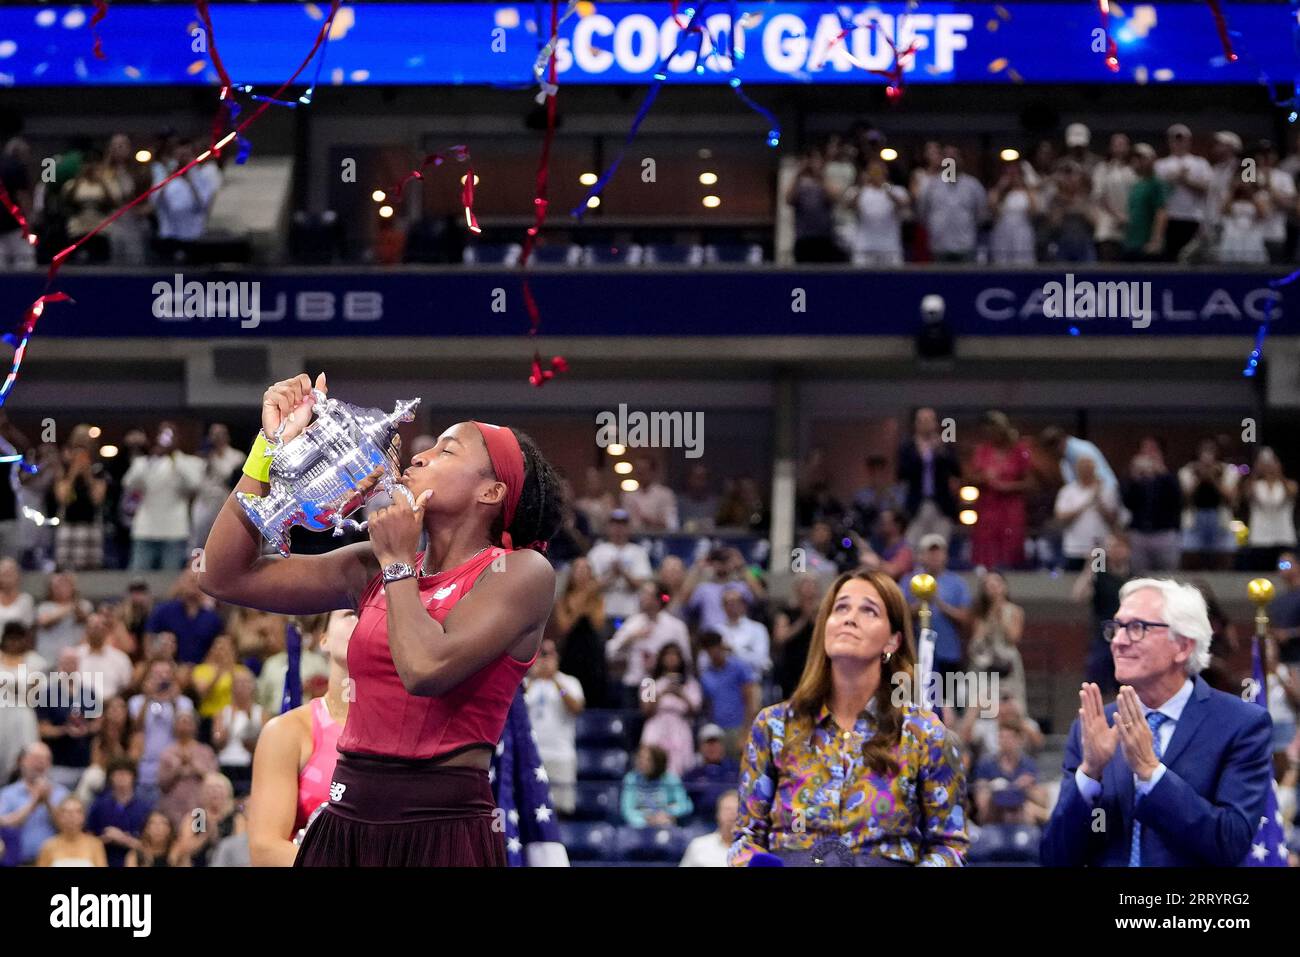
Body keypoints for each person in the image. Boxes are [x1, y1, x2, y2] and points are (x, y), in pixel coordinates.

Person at [200, 372, 561, 867]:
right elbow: (222, 576)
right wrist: (270, 448)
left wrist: (395, 563)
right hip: (344, 819)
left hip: (442, 828)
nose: (418, 456)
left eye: (445, 452)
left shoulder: (521, 571)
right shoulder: (376, 563)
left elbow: (425, 670)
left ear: (492, 493)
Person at [730, 569, 967, 866]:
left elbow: (950, 848)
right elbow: (745, 839)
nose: (849, 618)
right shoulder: (773, 726)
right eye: (840, 607)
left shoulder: (925, 733)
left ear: (892, 642)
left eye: (868, 610)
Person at [1042, 578, 1273, 866]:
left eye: (1137, 628)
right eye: (1115, 627)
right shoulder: (1094, 728)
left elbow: (1229, 842)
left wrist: (1151, 772)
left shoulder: (1241, 725)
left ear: (1183, 646)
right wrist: (1090, 774)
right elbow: (1055, 858)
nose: (1118, 641)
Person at [247, 608, 355, 866]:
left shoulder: (413, 731)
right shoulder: (287, 731)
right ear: (324, 638)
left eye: (376, 613)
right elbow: (265, 850)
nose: (363, 621)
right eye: (351, 613)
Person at [122, 422, 204, 570]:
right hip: (145, 528)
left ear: (177, 439)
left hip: (174, 529)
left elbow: (194, 484)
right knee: (138, 577)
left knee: (169, 579)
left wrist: (174, 456)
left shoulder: (190, 462)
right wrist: (152, 459)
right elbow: (129, 484)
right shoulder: (144, 462)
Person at [523, 637, 584, 815]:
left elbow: (576, 707)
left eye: (549, 654)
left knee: (562, 810)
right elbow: (515, 708)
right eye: (542, 654)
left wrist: (555, 681)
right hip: (532, 756)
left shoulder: (568, 683)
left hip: (561, 755)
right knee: (530, 810)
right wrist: (534, 677)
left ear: (557, 656)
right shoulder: (527, 683)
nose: (545, 658)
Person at [606, 580, 691, 709]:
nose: (642, 597)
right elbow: (610, 652)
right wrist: (630, 638)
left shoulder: (676, 627)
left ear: (658, 599)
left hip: (660, 685)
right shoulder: (633, 623)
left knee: (653, 724)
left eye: (647, 594)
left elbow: (686, 659)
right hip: (634, 683)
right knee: (632, 725)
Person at [970, 411, 1033, 570]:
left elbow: (1031, 483)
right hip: (988, 508)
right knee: (986, 545)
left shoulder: (1020, 450)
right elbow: (971, 478)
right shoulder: (982, 451)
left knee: (1010, 546)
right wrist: (984, 478)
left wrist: (1007, 486)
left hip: (1011, 509)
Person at [907, 535, 972, 687]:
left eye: (938, 552)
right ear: (921, 556)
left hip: (948, 651)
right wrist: (922, 602)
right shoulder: (908, 581)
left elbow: (965, 618)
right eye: (930, 552)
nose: (935, 557)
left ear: (946, 555)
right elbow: (900, 614)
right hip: (915, 653)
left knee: (947, 701)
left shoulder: (957, 583)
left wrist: (939, 603)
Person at [550, 556, 609, 709]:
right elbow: (564, 627)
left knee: (595, 696)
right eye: (578, 569)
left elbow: (598, 624)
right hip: (571, 653)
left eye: (586, 569)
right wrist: (584, 596)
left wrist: (586, 599)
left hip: (593, 655)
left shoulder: (598, 599)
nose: (582, 573)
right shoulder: (562, 600)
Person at [898, 407, 960, 547]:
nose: (926, 424)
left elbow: (956, 470)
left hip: (941, 504)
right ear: (915, 424)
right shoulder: (908, 447)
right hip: (917, 504)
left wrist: (940, 451)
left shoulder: (945, 445)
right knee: (913, 544)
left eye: (929, 420)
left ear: (936, 423)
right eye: (922, 420)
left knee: (939, 545)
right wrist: (919, 455)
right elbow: (901, 474)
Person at [153, 138, 222, 264]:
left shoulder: (202, 176)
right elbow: (156, 201)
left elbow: (203, 205)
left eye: (186, 156)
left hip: (193, 235)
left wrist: (191, 183)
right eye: (180, 156)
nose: (183, 159)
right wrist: (168, 179)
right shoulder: (164, 177)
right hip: (170, 234)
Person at [638, 644, 702, 778]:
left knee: (680, 766)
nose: (671, 658)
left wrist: (681, 694)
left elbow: (695, 710)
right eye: (668, 654)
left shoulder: (690, 682)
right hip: (656, 726)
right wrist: (662, 692)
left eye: (675, 655)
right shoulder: (650, 681)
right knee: (653, 763)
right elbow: (646, 710)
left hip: (680, 727)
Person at [0, 743, 69, 865]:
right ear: (21, 761)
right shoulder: (7, 794)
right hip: (19, 862)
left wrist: (48, 802)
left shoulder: (61, 793)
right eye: (36, 758)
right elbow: (4, 824)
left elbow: (68, 827)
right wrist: (33, 802)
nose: (41, 763)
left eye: (46, 759)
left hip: (55, 861)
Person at [916, 145, 987, 262]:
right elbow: (922, 214)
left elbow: (981, 215)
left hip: (966, 245)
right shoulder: (930, 186)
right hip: (939, 245)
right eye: (947, 157)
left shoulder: (973, 185)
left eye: (954, 157)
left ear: (961, 160)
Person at [1121, 439, 1183, 573]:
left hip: (1165, 533)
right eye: (1145, 450)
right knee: (1139, 576)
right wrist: (1135, 478)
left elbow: (1177, 500)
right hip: (1140, 533)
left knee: (1168, 576)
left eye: (1152, 450)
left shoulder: (1169, 474)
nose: (1148, 454)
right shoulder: (1136, 477)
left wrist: (1162, 472)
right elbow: (1127, 502)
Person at [1178, 438, 1239, 571]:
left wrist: (1214, 478)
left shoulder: (1229, 471)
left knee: (1223, 556)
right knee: (1191, 556)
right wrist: (1200, 477)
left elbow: (1230, 497)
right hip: (1195, 518)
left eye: (1211, 451)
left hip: (1220, 518)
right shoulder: (1187, 471)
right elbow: (1186, 497)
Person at [968, 572, 1027, 712]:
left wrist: (1000, 614)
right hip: (986, 662)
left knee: (1012, 702)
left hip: (1007, 662)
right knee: (982, 702)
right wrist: (991, 613)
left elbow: (1013, 638)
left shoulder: (1015, 611)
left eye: (997, 583)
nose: (994, 588)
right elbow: (977, 641)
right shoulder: (980, 613)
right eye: (989, 585)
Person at [1153, 124, 1212, 261]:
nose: (1179, 143)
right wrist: (1174, 178)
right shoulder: (1161, 165)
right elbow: (1158, 190)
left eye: (1182, 139)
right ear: (1170, 141)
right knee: (1170, 257)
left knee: (1192, 257)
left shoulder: (1200, 163)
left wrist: (1185, 180)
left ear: (1188, 141)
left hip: (1193, 217)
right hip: (1170, 218)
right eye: (1175, 139)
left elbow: (1206, 188)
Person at [698, 631, 760, 759]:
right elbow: (707, 706)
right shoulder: (705, 676)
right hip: (717, 730)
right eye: (710, 648)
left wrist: (746, 732)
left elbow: (751, 700)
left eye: (716, 647)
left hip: (738, 728)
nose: (714, 651)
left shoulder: (739, 668)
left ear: (722, 646)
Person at [144, 569, 224, 667]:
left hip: (201, 672)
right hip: (167, 668)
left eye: (197, 581)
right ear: (181, 583)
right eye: (190, 580)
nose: (193, 585)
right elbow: (148, 643)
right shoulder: (162, 611)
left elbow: (219, 649)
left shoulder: (213, 619)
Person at [586, 509, 652, 625]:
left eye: (622, 525)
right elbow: (589, 586)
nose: (618, 528)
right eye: (615, 524)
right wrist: (612, 575)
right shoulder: (597, 552)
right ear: (608, 527)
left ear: (628, 528)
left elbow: (642, 585)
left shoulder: (638, 552)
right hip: (603, 611)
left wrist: (623, 572)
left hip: (631, 612)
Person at [1055, 456, 1121, 571]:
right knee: (1074, 581)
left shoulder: (1106, 491)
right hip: (1074, 548)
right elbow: (1060, 516)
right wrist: (1085, 503)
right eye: (1082, 467)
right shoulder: (1068, 491)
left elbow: (1113, 519)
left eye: (1088, 467)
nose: (1085, 470)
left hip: (1099, 549)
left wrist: (1098, 498)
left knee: (1098, 580)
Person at [973, 725, 1048, 826]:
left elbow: (1042, 800)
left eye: (1009, 737)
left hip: (1021, 812)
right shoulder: (986, 764)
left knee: (1030, 809)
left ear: (1019, 740)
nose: (1005, 741)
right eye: (1001, 737)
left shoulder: (1028, 765)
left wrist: (1026, 789)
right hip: (994, 813)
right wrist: (994, 788)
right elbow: (981, 803)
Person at [156, 709, 218, 828]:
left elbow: (213, 779)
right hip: (173, 807)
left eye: (188, 722)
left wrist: (193, 764)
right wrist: (178, 769)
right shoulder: (167, 752)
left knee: (198, 836)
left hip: (199, 807)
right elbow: (162, 783)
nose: (184, 726)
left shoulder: (205, 751)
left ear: (195, 726)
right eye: (181, 722)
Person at [0, 621, 45, 784]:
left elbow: (33, 693)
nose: (14, 643)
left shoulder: (35, 661)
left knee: (25, 752)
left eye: (18, 639)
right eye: (10, 639)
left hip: (23, 712)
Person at [85, 758, 151, 868]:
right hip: (103, 860)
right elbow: (87, 838)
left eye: (126, 774)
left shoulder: (144, 808)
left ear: (133, 777)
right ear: (110, 777)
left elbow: (150, 847)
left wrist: (123, 839)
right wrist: (104, 839)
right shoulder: (99, 806)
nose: (122, 778)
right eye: (118, 774)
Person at [53, 438, 107, 570]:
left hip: (90, 526)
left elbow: (97, 498)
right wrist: (73, 472)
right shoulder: (63, 474)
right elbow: (62, 497)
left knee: (91, 567)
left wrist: (87, 474)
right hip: (68, 525)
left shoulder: (98, 473)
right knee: (63, 566)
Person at [211, 668, 263, 796]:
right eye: (238, 683)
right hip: (227, 763)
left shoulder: (261, 713)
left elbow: (264, 744)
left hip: (250, 766)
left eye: (246, 683)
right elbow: (217, 740)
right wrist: (230, 721)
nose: (242, 687)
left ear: (253, 686)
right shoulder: (222, 713)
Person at [1245, 447, 1297, 570]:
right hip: (1260, 537)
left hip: (1283, 536)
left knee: (1285, 569)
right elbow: (1247, 494)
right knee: (1261, 570)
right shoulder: (1256, 485)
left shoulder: (1288, 484)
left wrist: (1279, 474)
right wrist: (1256, 472)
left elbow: (1291, 493)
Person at [850, 159, 910, 266]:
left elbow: (904, 203)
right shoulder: (859, 191)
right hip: (864, 248)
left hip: (890, 248)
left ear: (885, 172)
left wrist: (885, 187)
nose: (876, 174)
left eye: (879, 171)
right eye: (873, 171)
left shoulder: (896, 190)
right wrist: (861, 185)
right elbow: (848, 205)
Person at [620, 744, 692, 828]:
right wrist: (646, 821)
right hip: (639, 827)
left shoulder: (671, 779)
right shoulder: (631, 779)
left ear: (658, 762)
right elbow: (627, 810)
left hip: (665, 823)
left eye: (648, 760)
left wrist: (667, 813)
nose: (641, 762)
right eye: (640, 758)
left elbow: (685, 805)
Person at [773, 574, 820, 701]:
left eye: (812, 585)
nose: (809, 588)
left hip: (815, 665)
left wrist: (813, 617)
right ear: (797, 588)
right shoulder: (786, 612)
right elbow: (780, 638)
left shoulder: (823, 612)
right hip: (792, 667)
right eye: (805, 584)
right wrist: (803, 619)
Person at [1092, 132, 1136, 261]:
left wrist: (1128, 216)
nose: (1119, 148)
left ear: (1128, 147)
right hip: (1109, 221)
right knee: (1107, 256)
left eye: (1123, 144)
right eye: (1116, 144)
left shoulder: (1134, 169)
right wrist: (1117, 215)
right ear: (1110, 148)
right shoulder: (1102, 168)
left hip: (1131, 221)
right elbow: (1099, 196)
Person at [1120, 143, 1168, 262]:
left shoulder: (1156, 184)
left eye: (1142, 158)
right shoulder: (1136, 185)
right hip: (1131, 242)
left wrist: (1156, 240)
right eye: (1135, 158)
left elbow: (1161, 212)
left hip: (1146, 245)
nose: (1137, 162)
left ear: (1152, 160)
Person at [35, 572, 93, 664]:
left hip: (74, 659)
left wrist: (75, 604)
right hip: (48, 659)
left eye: (66, 584)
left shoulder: (84, 605)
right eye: (57, 586)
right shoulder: (44, 607)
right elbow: (44, 621)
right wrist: (69, 607)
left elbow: (88, 620)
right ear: (51, 589)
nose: (62, 588)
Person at [988, 159, 1038, 264]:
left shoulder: (1028, 192)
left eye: (1015, 174)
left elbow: (1034, 211)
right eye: (1009, 174)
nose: (1013, 177)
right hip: (1003, 231)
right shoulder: (999, 192)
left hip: (1022, 232)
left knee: (1023, 262)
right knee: (1001, 262)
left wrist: (1027, 185)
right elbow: (991, 207)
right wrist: (1000, 187)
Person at [36, 795, 107, 867]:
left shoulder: (95, 844)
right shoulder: (48, 846)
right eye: (66, 812)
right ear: (59, 817)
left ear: (83, 816)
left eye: (77, 812)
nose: (71, 816)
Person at [680, 789, 739, 867]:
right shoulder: (698, 845)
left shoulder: (753, 850)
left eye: (737, 810)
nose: (732, 814)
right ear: (718, 814)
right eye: (728, 809)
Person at [621, 455, 678, 532]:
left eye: (644, 470)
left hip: (659, 539)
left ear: (653, 472)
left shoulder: (665, 494)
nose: (640, 474)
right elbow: (624, 523)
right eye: (638, 470)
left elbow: (672, 524)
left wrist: (651, 521)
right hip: (633, 538)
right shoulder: (628, 495)